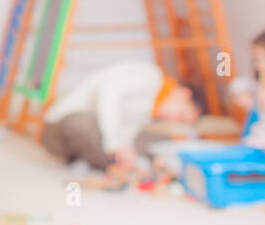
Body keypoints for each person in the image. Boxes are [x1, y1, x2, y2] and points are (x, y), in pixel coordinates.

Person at [39, 59, 204, 173]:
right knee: (81, 123)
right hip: (59, 128)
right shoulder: (151, 76)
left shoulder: (151, 113)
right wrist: (114, 144)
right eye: (181, 115)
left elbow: (127, 132)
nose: (173, 120)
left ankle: (96, 161)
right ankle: (110, 164)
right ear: (183, 94)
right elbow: (107, 93)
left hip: (93, 138)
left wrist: (126, 151)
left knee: (150, 139)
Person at [228, 29, 265, 153]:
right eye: (255, 59)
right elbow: (237, 84)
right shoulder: (259, 86)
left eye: (260, 59)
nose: (257, 65)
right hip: (255, 143)